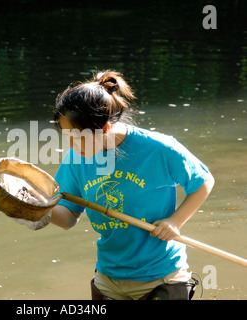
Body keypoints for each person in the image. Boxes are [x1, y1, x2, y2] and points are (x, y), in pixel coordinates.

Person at [49, 70, 214, 300]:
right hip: (108, 280)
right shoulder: (76, 158)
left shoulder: (159, 148)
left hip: (161, 277)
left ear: (105, 128)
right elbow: (67, 218)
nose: (73, 146)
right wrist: (35, 209)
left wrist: (175, 221)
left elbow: (204, 181)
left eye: (79, 137)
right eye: (68, 137)